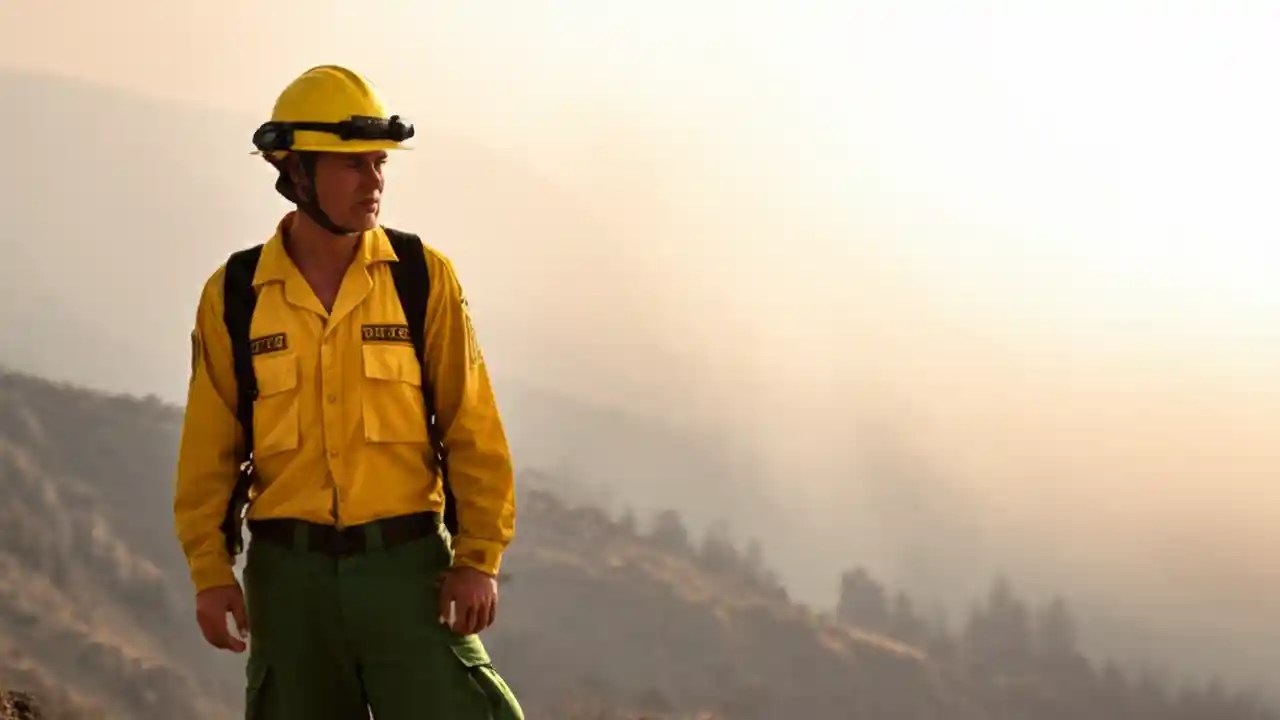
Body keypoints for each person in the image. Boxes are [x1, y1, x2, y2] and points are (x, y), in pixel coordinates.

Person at [173, 65, 523, 719]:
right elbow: (208, 450)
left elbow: (471, 425)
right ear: (297, 173)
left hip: (408, 574)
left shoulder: (422, 277)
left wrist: (478, 559)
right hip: (290, 584)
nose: (374, 181)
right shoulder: (235, 295)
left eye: (379, 162)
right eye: (352, 164)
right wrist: (210, 573)